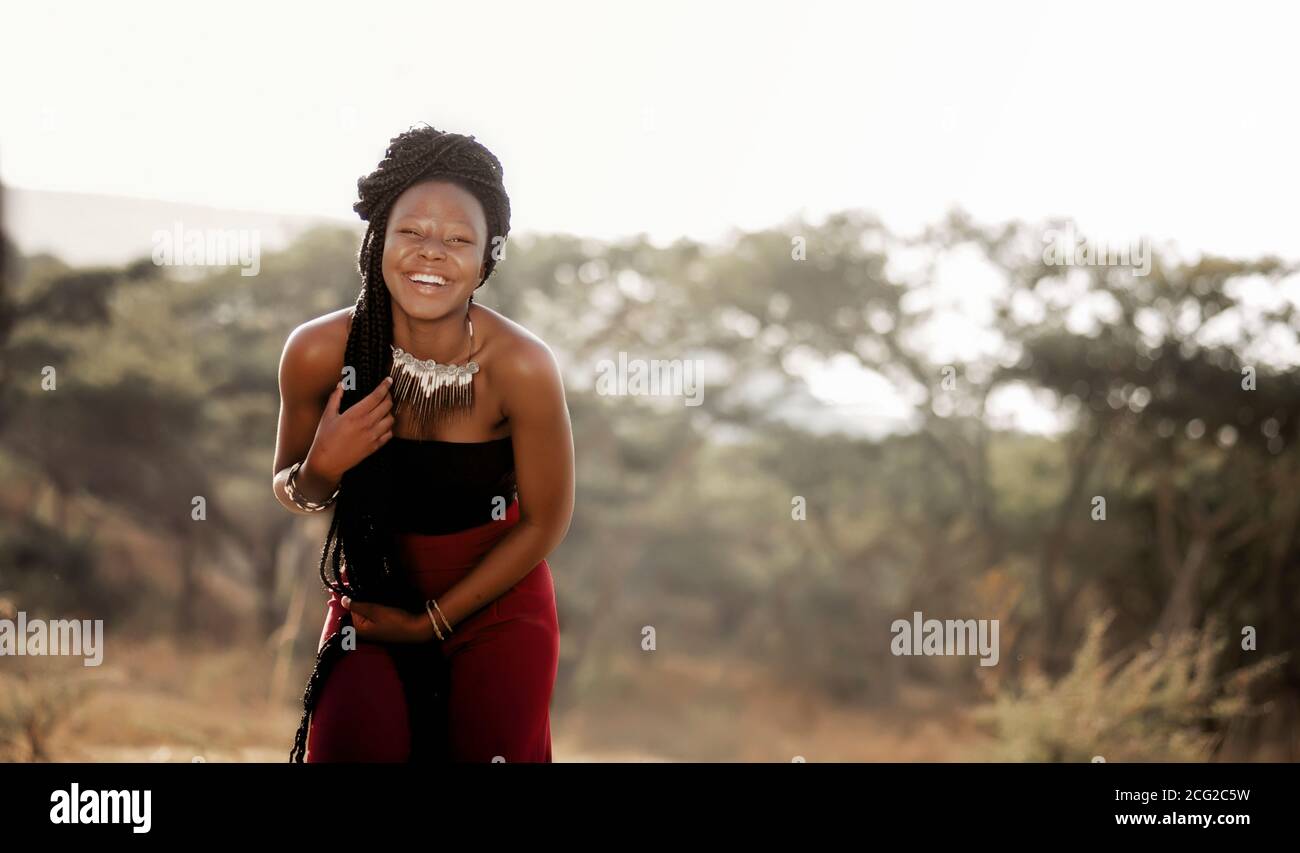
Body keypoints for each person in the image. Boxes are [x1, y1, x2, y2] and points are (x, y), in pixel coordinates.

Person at [271, 125, 575, 762]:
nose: (432, 252)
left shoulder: (520, 367)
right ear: (379, 236)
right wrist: (321, 467)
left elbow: (547, 521)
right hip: (373, 602)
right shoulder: (319, 353)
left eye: (459, 238)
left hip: (497, 607)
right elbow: (290, 487)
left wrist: (432, 621)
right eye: (411, 231)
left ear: (486, 257)